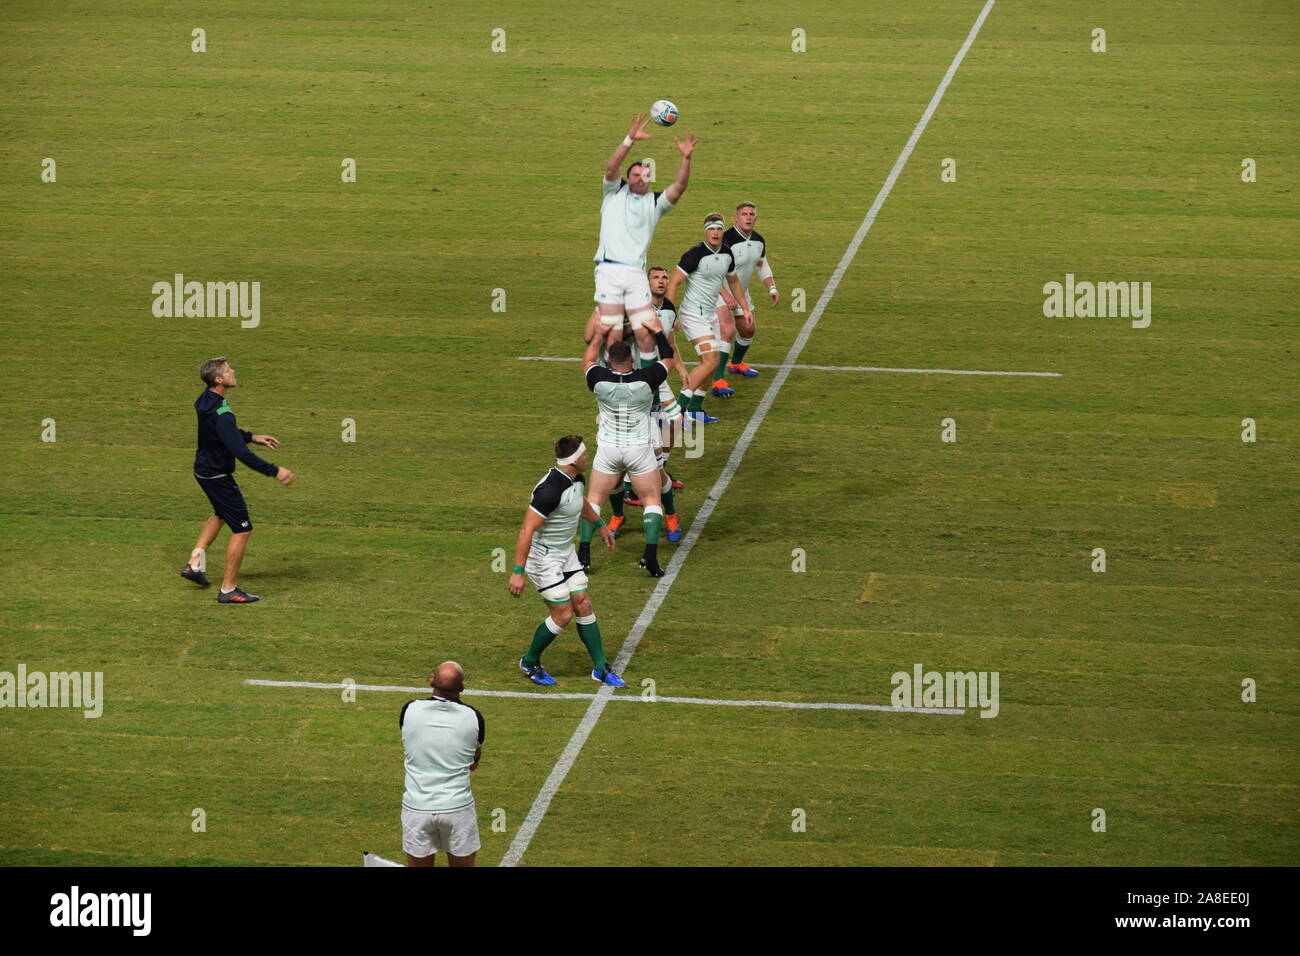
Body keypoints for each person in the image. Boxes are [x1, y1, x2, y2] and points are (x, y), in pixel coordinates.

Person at [507, 436, 625, 687]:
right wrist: (518, 571)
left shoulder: (575, 478)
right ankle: (529, 661)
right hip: (543, 558)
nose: (587, 457)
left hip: (565, 553)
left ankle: (600, 668)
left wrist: (600, 524)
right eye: (584, 455)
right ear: (573, 460)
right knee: (563, 615)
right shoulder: (549, 491)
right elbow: (526, 531)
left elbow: (579, 501)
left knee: (583, 603)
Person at [181, 357, 293, 604]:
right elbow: (239, 452)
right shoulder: (222, 413)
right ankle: (228, 589)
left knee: (220, 514)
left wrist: (252, 436)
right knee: (242, 529)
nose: (233, 372)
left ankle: (194, 564)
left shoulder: (206, 400)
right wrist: (275, 471)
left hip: (203, 469)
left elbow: (224, 434)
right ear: (219, 380)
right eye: (228, 370)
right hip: (218, 476)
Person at [593, 114, 697, 363]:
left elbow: (679, 187)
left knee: (646, 335)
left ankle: (652, 387)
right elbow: (611, 167)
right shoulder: (613, 192)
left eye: (645, 175)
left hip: (636, 273)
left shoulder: (655, 202)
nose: (640, 179)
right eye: (636, 175)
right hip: (608, 270)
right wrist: (630, 139)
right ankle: (611, 377)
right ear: (628, 179)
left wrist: (686, 158)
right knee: (612, 332)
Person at [579, 319, 678, 576]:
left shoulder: (599, 379)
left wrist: (599, 334)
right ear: (633, 359)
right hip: (639, 449)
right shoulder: (647, 379)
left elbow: (587, 361)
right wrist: (657, 331)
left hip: (609, 449)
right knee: (651, 500)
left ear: (609, 360)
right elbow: (668, 358)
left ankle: (584, 554)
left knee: (595, 499)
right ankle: (650, 557)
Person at [665, 215, 753, 423]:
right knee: (710, 360)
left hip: (710, 315)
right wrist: (671, 314)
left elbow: (734, 281)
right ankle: (677, 409)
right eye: (712, 229)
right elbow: (674, 282)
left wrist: (745, 308)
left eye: (719, 229)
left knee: (711, 364)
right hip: (693, 314)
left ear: (723, 231)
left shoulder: (726, 253)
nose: (715, 233)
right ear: (705, 231)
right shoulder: (694, 254)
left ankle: (695, 408)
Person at [399, 661, 485, 867]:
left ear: (431, 682)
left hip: (416, 808)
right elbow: (473, 762)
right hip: (457, 808)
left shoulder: (409, 710)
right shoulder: (473, 717)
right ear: (462, 687)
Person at [714, 201, 778, 389]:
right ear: (735, 218)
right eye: (744, 214)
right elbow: (714, 271)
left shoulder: (759, 240)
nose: (748, 217)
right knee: (727, 331)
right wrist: (725, 295)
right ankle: (718, 379)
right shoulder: (725, 240)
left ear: (756, 218)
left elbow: (761, 265)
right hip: (718, 291)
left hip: (741, 293)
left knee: (748, 329)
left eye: (751, 214)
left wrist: (772, 288)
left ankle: (735, 364)